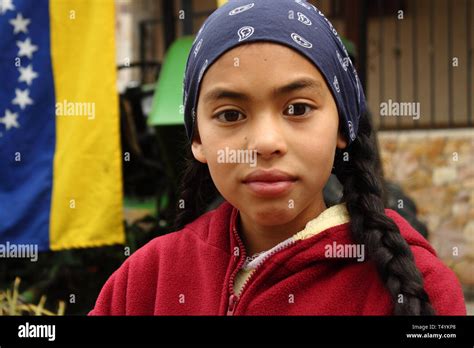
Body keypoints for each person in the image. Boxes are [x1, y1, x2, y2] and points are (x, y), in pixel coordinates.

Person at [89, 0, 466, 315]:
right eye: (231, 115)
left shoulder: (415, 284)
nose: (266, 143)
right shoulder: (145, 281)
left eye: (298, 108)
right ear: (198, 138)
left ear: (341, 127)